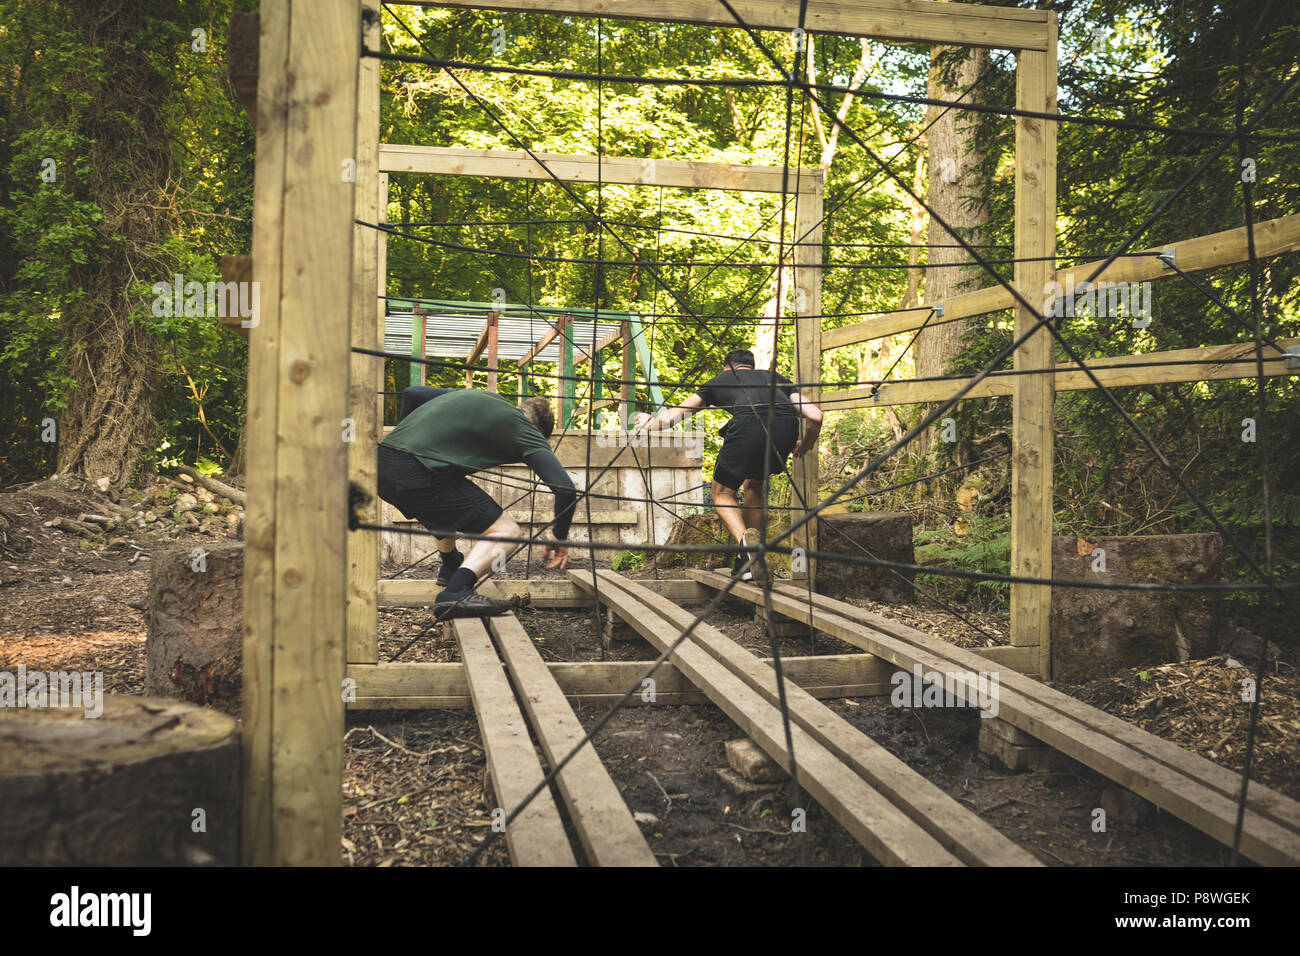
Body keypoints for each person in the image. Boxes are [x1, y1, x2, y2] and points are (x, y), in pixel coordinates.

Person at [378, 386, 575, 619]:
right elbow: (565, 490)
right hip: (417, 474)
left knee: (444, 497)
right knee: (507, 531)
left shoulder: (484, 397)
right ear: (539, 432)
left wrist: (406, 442)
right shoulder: (527, 431)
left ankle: (450, 565)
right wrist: (559, 535)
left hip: (382, 465)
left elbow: (412, 394)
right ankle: (456, 592)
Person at [634, 349, 822, 582]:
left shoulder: (721, 380)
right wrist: (807, 443)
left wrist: (649, 423)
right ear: (752, 367)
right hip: (786, 428)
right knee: (754, 485)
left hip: (748, 424)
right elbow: (815, 416)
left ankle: (749, 549)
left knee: (722, 493)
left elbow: (677, 414)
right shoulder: (777, 378)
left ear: (726, 367)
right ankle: (751, 559)